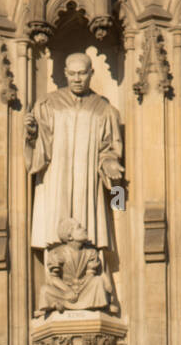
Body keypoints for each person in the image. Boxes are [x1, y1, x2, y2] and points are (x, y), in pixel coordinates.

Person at [24, 54, 123, 311]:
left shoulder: (104, 109)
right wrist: (31, 134)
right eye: (72, 74)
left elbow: (110, 148)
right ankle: (57, 288)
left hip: (87, 181)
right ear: (64, 74)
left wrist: (110, 162)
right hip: (56, 179)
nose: (77, 78)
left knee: (87, 226)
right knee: (57, 227)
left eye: (82, 73)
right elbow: (37, 152)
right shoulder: (48, 104)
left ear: (91, 73)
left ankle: (97, 286)